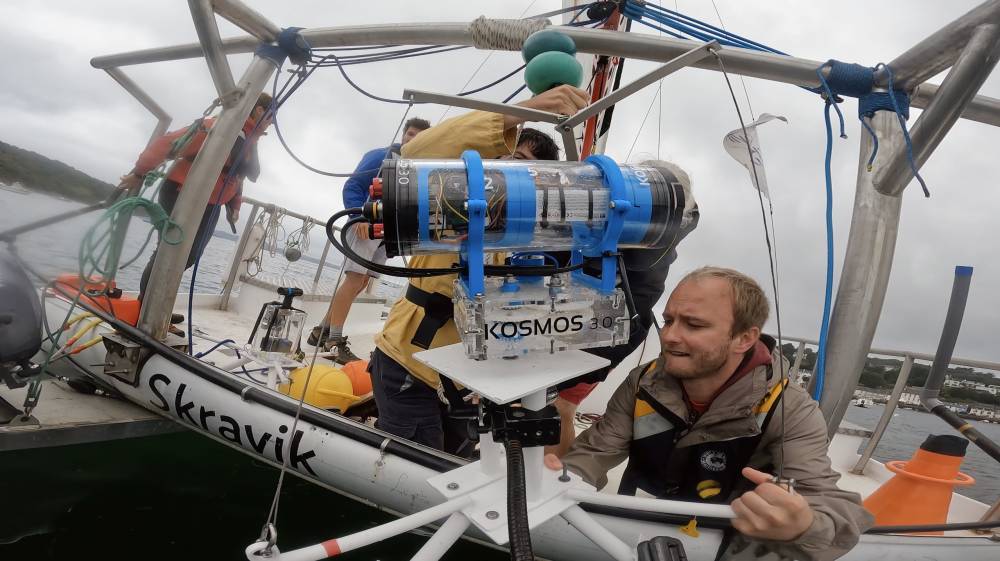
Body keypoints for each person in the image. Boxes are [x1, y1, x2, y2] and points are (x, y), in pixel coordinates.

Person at [549, 266, 872, 560]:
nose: (670, 335)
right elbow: (595, 452)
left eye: (694, 324)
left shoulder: (789, 407)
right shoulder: (642, 381)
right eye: (669, 320)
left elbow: (831, 506)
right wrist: (563, 477)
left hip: (727, 545)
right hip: (634, 532)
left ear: (744, 338)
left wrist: (803, 525)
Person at [370, 84, 589, 452]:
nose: (517, 175)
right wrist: (522, 110)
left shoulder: (531, 239)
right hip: (408, 361)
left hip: (465, 381)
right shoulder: (450, 204)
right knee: (416, 462)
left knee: (451, 462)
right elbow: (414, 152)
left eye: (530, 171)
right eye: (514, 159)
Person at [547, 162, 699, 458]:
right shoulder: (644, 237)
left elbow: (629, 312)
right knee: (555, 404)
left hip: (606, 335)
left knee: (561, 405)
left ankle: (556, 473)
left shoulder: (648, 248)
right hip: (580, 322)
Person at [122, 93, 274, 305]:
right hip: (182, 192)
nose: (272, 122)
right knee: (172, 251)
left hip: (212, 204)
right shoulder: (216, 128)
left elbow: (236, 174)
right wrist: (139, 174)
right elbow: (166, 143)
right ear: (259, 111)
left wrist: (234, 205)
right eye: (272, 115)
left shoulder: (250, 139)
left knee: (190, 255)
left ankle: (155, 306)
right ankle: (145, 306)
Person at [308, 118, 432, 362]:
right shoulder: (380, 156)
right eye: (410, 133)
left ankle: (320, 330)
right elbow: (353, 185)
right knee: (354, 279)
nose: (411, 139)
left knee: (363, 281)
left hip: (386, 233)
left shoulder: (417, 168)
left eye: (418, 136)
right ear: (403, 134)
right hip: (365, 226)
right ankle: (334, 339)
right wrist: (358, 217)